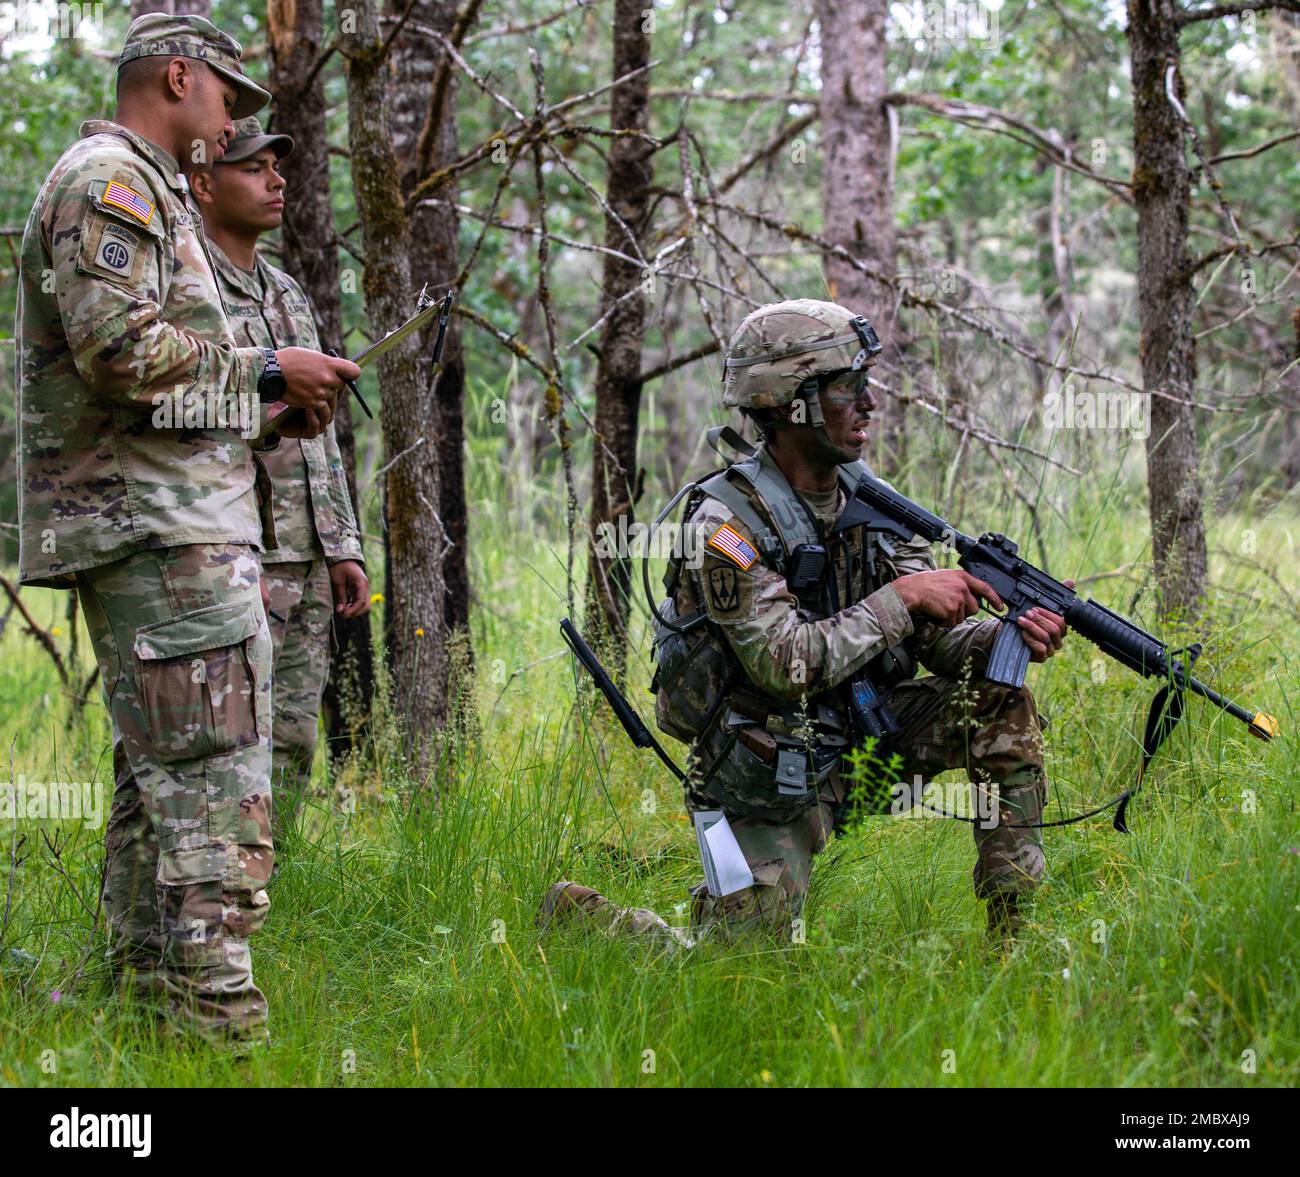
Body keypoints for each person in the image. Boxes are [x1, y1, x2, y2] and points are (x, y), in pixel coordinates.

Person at [14, 13, 360, 1042]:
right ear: (179, 76)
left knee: (165, 792)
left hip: (176, 527)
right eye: (228, 99)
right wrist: (262, 369)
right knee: (219, 805)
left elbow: (157, 389)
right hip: (160, 538)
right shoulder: (110, 180)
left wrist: (260, 411)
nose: (232, 123)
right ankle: (221, 1035)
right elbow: (117, 351)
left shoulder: (149, 191)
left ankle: (145, 1018)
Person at [540, 299, 1070, 948]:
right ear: (790, 403)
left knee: (999, 695)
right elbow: (784, 663)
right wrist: (904, 596)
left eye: (865, 383)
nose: (870, 403)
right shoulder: (724, 526)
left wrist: (1009, 635)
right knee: (736, 977)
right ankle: (593, 922)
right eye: (849, 387)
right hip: (753, 781)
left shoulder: (873, 502)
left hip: (860, 739)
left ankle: (1016, 944)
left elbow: (936, 642)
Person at [191, 116, 370, 839]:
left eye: (278, 166)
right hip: (239, 551)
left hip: (307, 553)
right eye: (253, 168)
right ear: (204, 183)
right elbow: (184, 422)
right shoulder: (191, 288)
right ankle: (224, 879)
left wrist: (343, 545)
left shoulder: (288, 292)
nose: (277, 179)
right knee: (235, 734)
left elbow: (323, 435)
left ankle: (275, 888)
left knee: (295, 735)